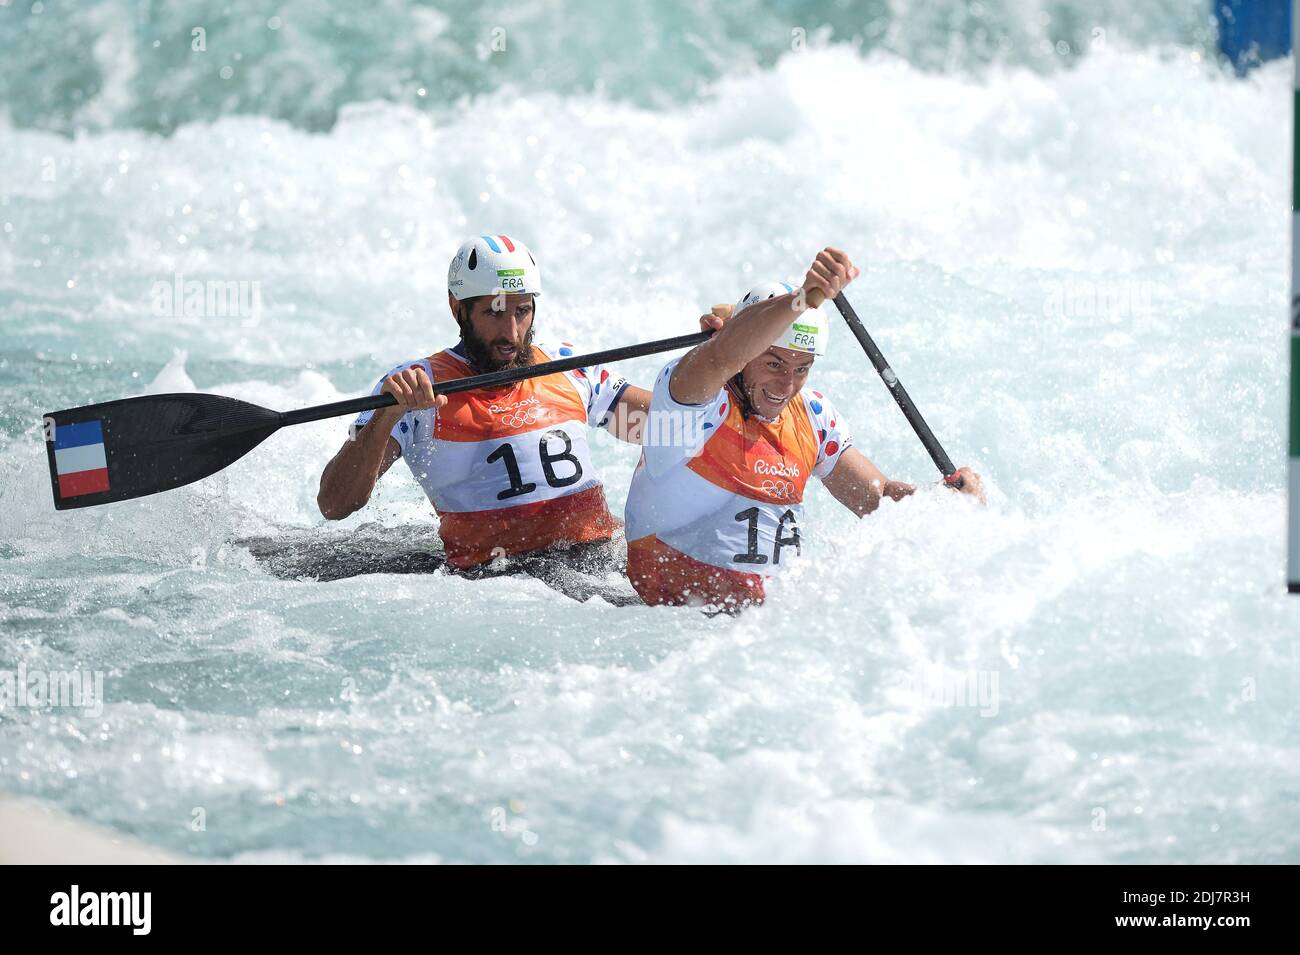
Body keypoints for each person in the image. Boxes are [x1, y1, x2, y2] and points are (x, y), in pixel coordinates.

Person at [317, 234, 720, 578]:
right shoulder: (415, 388)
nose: (511, 332)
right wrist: (388, 414)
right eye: (494, 313)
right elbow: (336, 504)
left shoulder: (569, 370)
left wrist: (722, 359)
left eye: (522, 311)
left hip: (602, 559)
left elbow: (679, 430)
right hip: (502, 579)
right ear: (458, 309)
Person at [623, 247, 984, 609]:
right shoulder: (690, 401)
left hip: (760, 629)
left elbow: (878, 500)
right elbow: (721, 356)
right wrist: (801, 299)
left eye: (801, 368)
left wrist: (941, 503)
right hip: (669, 615)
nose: (786, 386)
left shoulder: (812, 415)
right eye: (775, 364)